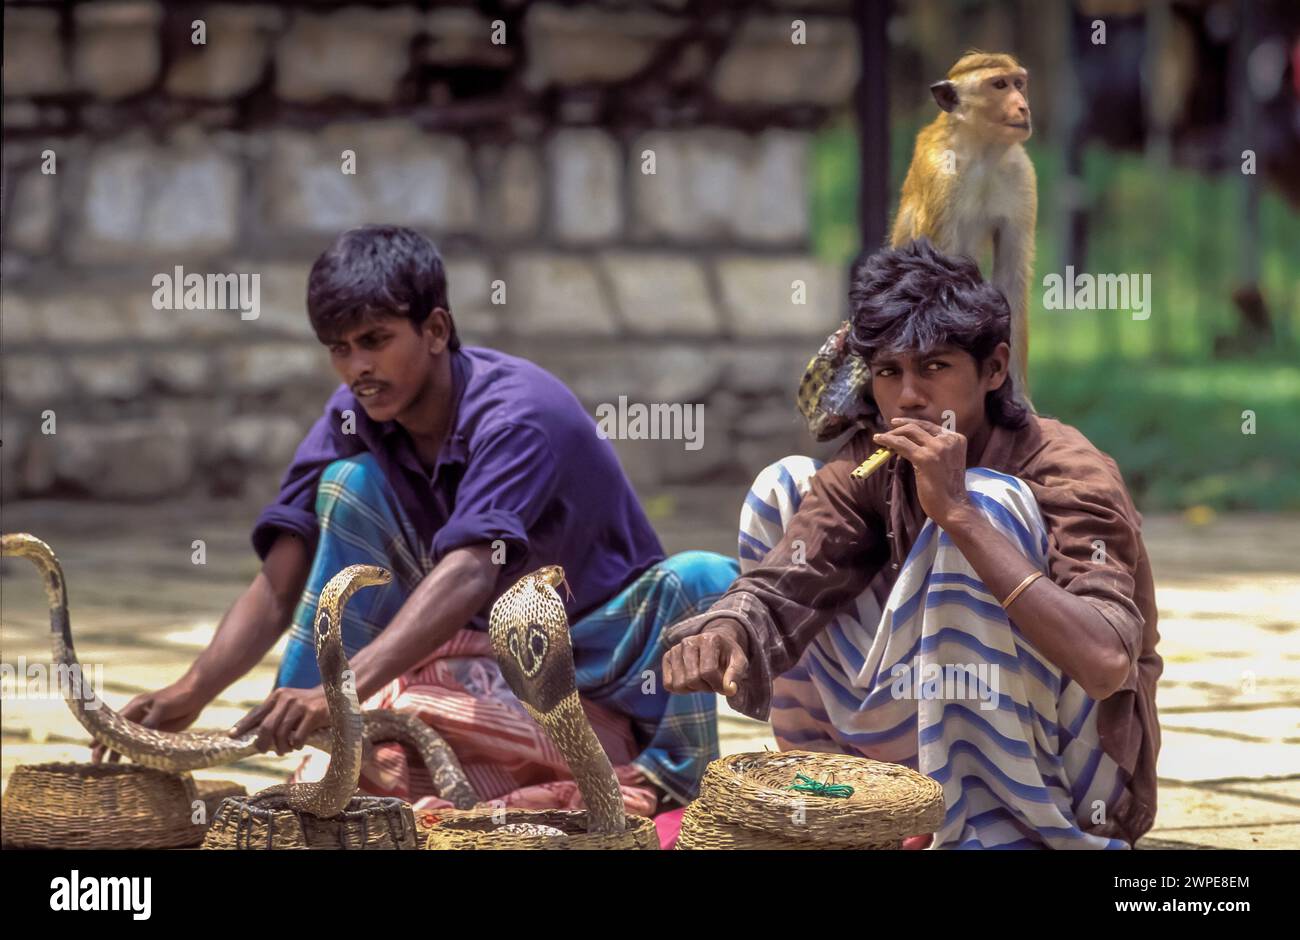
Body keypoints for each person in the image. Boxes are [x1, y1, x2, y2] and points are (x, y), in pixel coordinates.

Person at [96, 224, 738, 816]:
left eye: (375, 341)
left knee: (701, 576)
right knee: (349, 485)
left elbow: (467, 572)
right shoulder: (353, 413)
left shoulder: (518, 413)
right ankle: (311, 735)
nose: (358, 370)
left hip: (589, 647)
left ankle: (665, 776)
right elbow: (276, 586)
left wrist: (343, 688)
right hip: (470, 652)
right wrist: (190, 692)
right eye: (340, 350)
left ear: (434, 330)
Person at [662, 239, 1162, 848]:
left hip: (1072, 775)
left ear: (995, 369)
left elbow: (1108, 663)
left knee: (986, 504)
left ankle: (990, 833)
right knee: (783, 487)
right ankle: (838, 811)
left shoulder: (1066, 468)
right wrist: (728, 633)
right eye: (888, 372)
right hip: (929, 740)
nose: (909, 397)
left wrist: (960, 515)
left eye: (934, 367)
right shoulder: (875, 459)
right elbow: (791, 578)